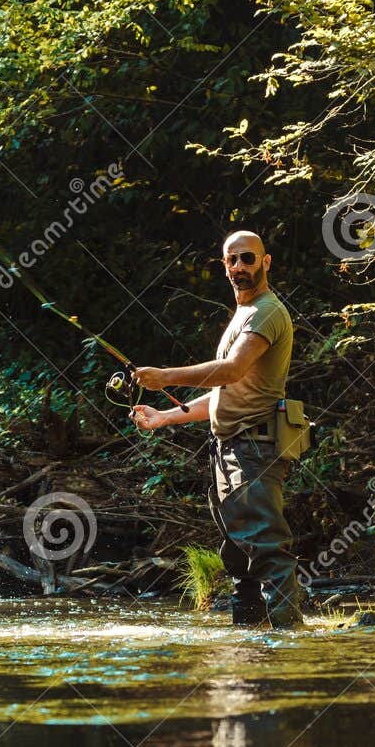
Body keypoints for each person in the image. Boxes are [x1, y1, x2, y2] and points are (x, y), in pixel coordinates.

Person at [129, 231, 304, 627]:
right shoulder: (243, 314)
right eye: (232, 260)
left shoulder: (266, 311)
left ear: (266, 262)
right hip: (230, 451)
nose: (239, 267)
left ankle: (290, 643)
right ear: (224, 266)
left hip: (254, 451)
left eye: (248, 258)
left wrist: (166, 376)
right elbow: (226, 393)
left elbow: (231, 370)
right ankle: (250, 639)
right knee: (240, 557)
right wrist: (164, 416)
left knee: (267, 550)